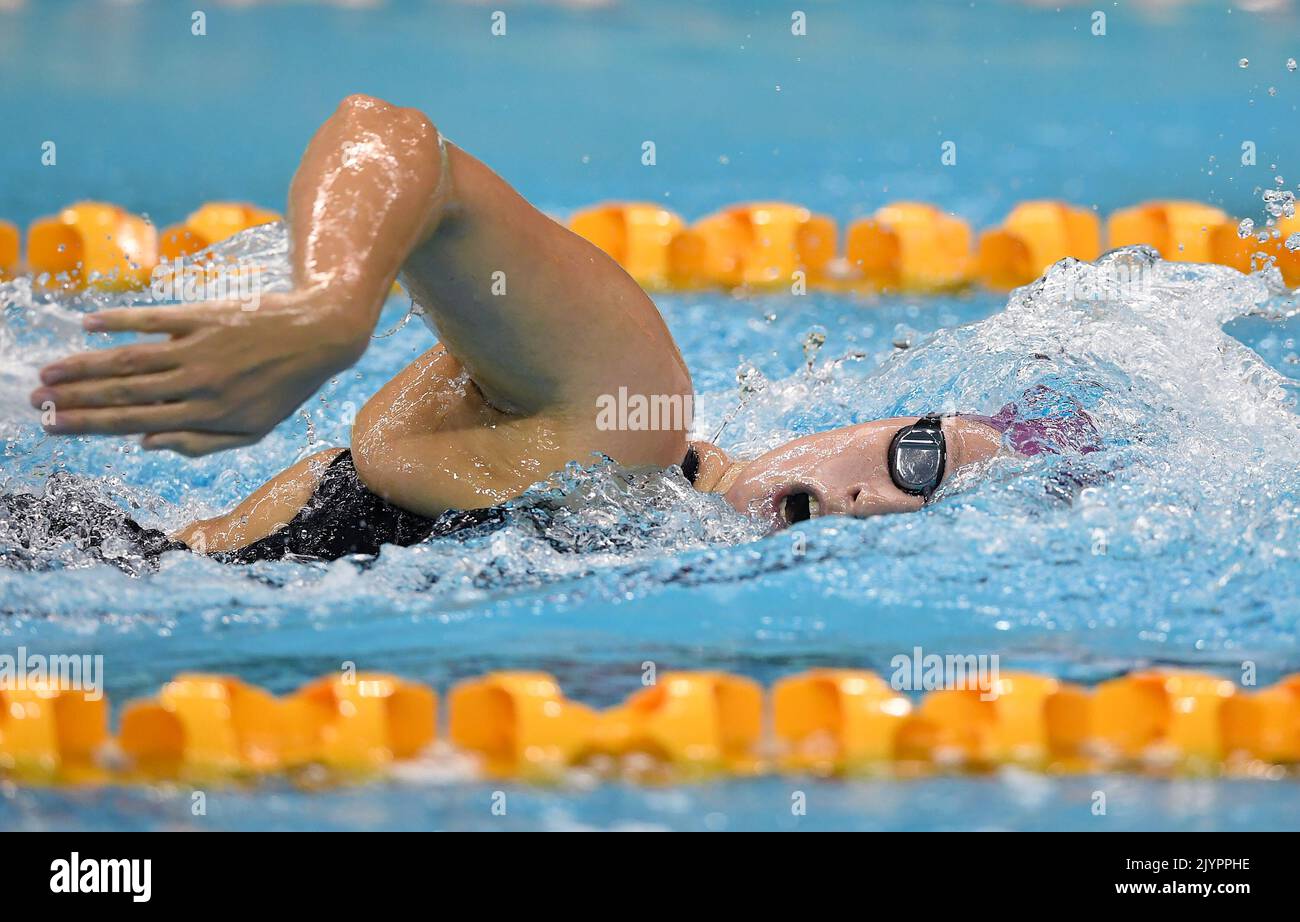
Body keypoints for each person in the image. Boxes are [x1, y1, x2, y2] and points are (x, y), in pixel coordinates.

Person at [16, 95, 1082, 566]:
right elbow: (390, 141)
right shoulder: (639, 415)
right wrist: (330, 311)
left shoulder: (650, 547)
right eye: (919, 461)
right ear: (879, 417)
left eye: (915, 527)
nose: (867, 503)